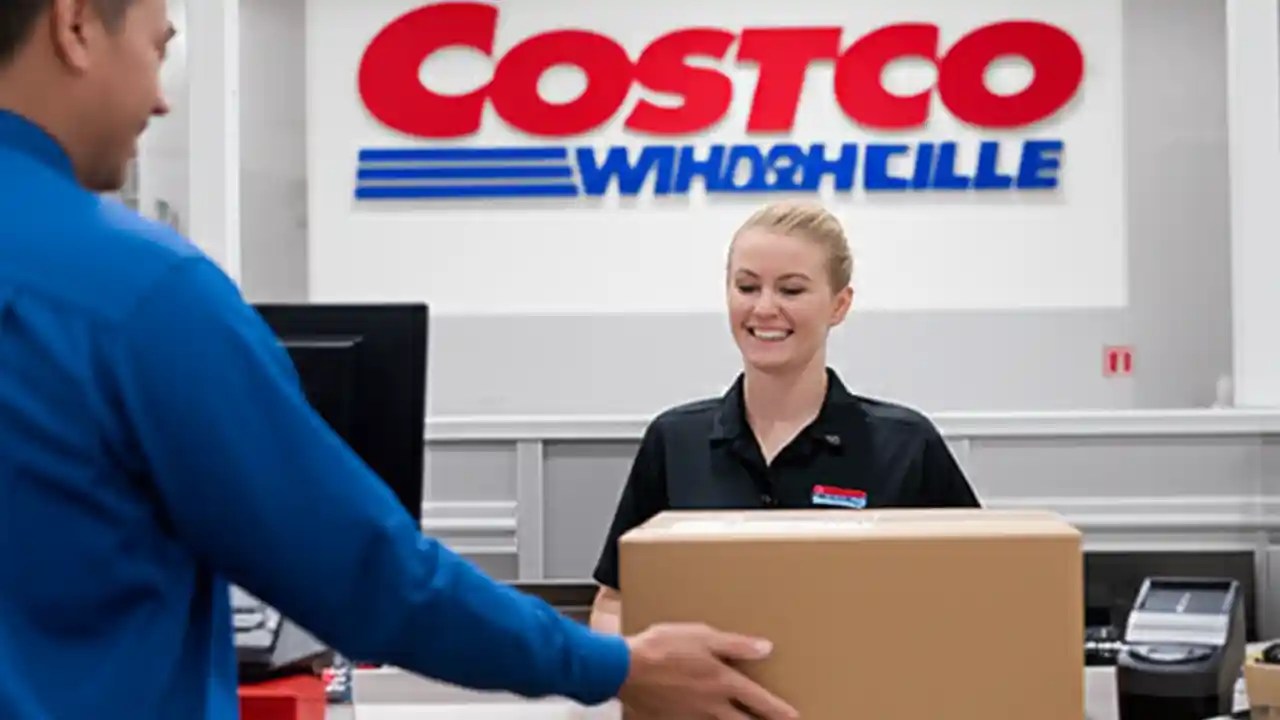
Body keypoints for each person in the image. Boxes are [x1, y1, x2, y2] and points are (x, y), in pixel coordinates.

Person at [0, 2, 800, 719]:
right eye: (157, 47)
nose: (163, 96)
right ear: (74, 27)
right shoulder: (136, 293)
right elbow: (366, 574)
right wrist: (612, 665)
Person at [589, 200, 982, 633]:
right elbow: (616, 603)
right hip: (706, 702)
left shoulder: (906, 446)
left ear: (839, 305)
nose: (764, 308)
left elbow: (980, 595)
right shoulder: (674, 441)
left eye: (791, 290)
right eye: (747, 287)